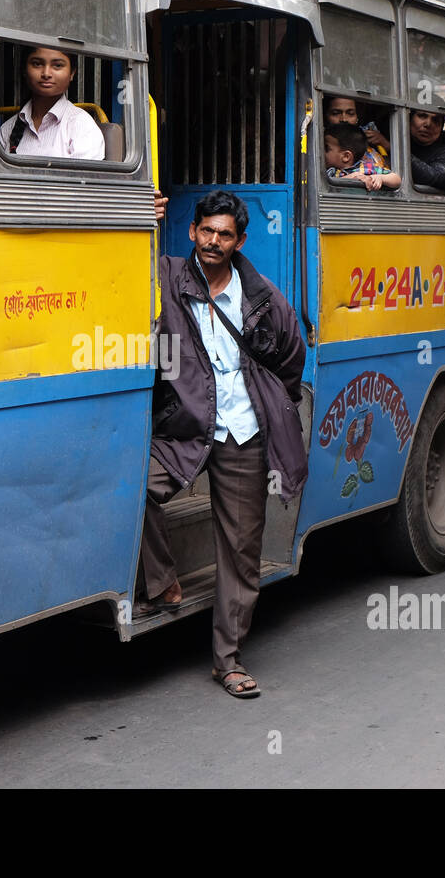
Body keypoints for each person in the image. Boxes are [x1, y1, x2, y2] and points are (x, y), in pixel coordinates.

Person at [137, 190, 307, 699]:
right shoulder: (166, 276)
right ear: (191, 232)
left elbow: (290, 361)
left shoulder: (262, 297)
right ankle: (164, 581)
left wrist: (266, 401)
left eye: (225, 234)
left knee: (240, 551)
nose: (213, 241)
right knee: (134, 488)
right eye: (206, 231)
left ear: (240, 241)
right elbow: (122, 269)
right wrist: (138, 220)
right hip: (185, 430)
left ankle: (228, 659)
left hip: (243, 433)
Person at [0, 46, 104, 159]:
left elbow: (85, 176)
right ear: (24, 70)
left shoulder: (82, 126)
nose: (46, 74)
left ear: (72, 73)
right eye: (37, 64)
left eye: (57, 65)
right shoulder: (7, 129)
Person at [324, 122, 400, 191]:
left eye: (326, 149)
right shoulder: (331, 172)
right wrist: (349, 178)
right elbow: (327, 186)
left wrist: (380, 178)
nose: (322, 152)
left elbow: (397, 179)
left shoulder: (368, 167)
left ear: (346, 156)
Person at [324, 95, 391, 162]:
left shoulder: (368, 139)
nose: (344, 119)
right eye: (336, 113)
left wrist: (385, 144)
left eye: (350, 113)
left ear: (357, 117)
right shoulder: (320, 142)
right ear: (325, 116)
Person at [409, 108, 445, 191]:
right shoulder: (393, 137)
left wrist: (393, 150)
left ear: (441, 127)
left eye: (436, 120)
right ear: (409, 118)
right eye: (422, 116)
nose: (428, 124)